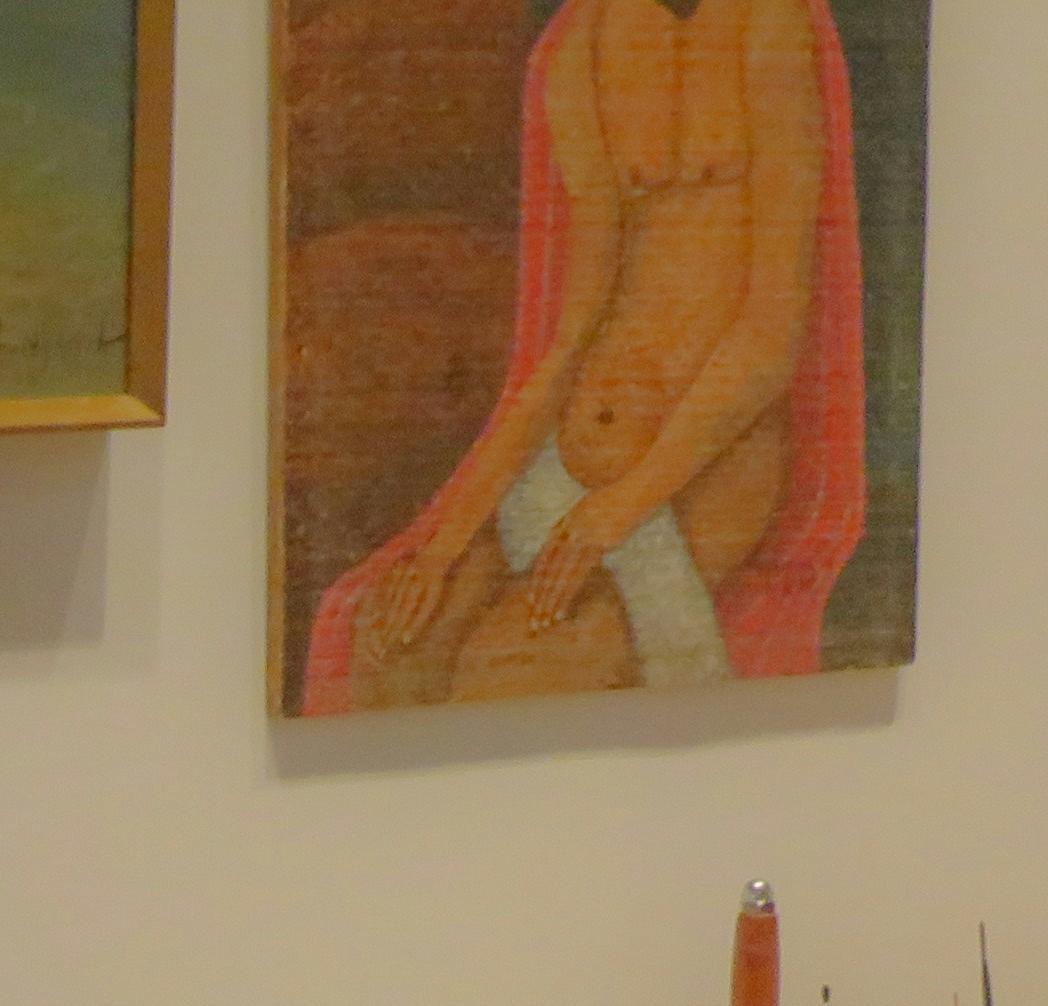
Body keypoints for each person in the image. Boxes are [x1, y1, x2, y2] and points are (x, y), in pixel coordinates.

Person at [298, 0, 863, 709]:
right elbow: (570, 338)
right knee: (391, 648)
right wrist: (444, 544)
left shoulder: (768, 23)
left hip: (710, 460)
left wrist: (618, 508)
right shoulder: (582, 46)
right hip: (565, 460)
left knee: (508, 672)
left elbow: (772, 332)